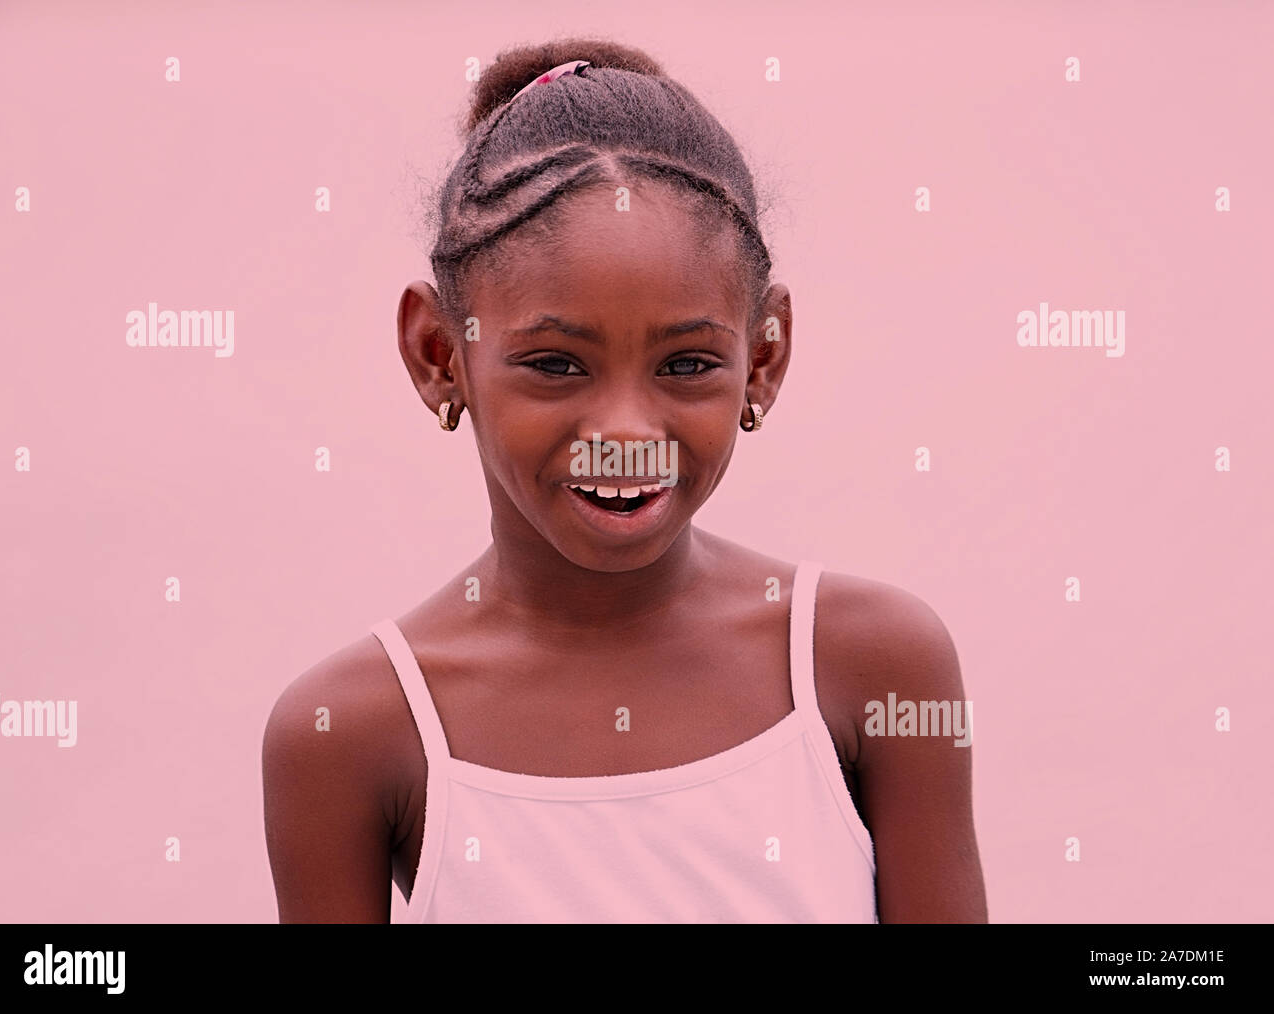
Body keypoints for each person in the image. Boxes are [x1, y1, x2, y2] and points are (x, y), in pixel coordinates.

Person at [263, 37, 987, 923]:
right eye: (556, 365)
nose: (624, 435)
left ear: (764, 357)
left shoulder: (878, 667)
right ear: (438, 354)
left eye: (685, 365)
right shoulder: (352, 732)